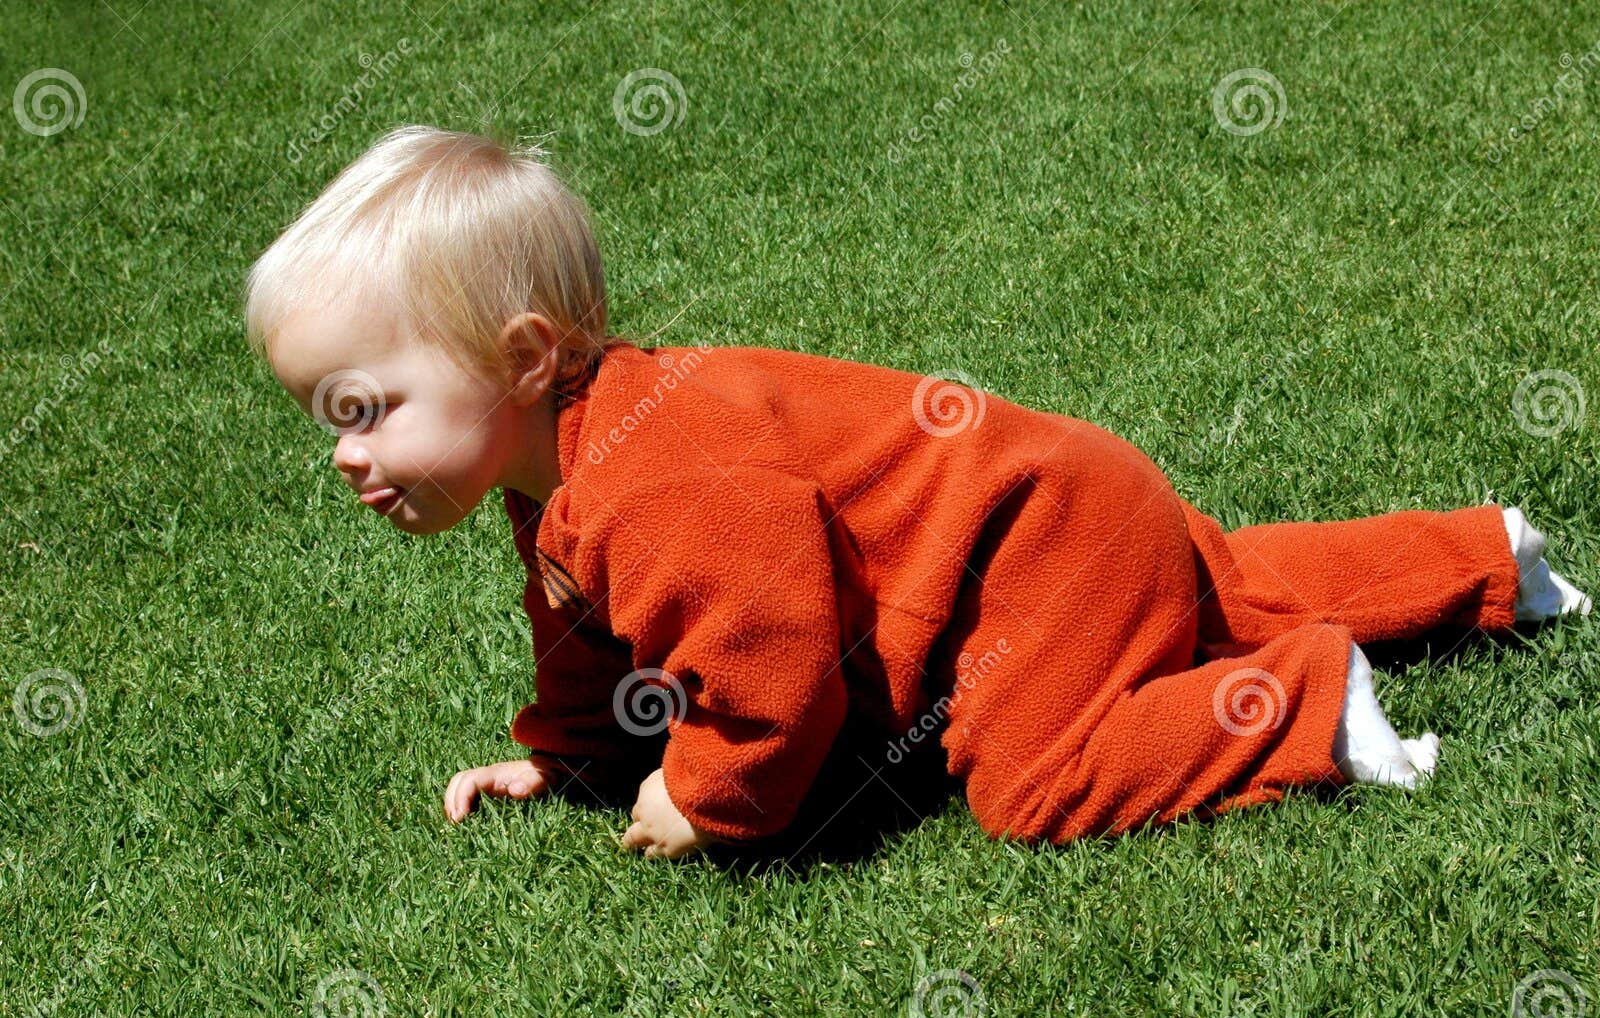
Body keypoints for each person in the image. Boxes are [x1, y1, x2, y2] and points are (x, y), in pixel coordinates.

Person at [245, 125, 1591, 860]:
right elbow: (595, 635)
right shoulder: (562, 473)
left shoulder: (655, 476)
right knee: (1218, 586)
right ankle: (1491, 558)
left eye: (365, 407)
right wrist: (570, 757)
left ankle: (1305, 703)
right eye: (328, 417)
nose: (345, 451)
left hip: (1027, 547)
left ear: (524, 358)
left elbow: (767, 660)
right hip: (1069, 495)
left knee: (1039, 782)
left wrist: (709, 795)